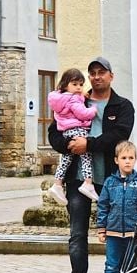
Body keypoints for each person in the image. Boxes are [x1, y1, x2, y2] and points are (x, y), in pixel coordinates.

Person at [48, 56, 135, 273]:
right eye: (92, 73)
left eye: (102, 72)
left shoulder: (122, 106)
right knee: (77, 234)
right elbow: (54, 131)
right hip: (78, 179)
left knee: (119, 232)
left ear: (111, 76)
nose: (97, 77)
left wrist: (89, 144)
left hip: (112, 179)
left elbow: (119, 135)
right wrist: (68, 145)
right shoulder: (75, 100)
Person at [96, 141, 137, 273]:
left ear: (135, 160)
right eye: (124, 158)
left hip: (133, 234)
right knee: (112, 265)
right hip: (113, 232)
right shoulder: (109, 183)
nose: (127, 161)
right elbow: (103, 206)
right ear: (116, 160)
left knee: (133, 267)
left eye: (131, 158)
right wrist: (102, 228)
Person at [47, 69, 100, 205]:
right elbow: (83, 114)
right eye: (75, 84)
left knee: (66, 159)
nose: (78, 88)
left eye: (81, 84)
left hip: (67, 131)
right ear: (65, 85)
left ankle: (57, 184)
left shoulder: (60, 99)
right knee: (86, 154)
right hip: (78, 129)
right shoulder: (73, 99)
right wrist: (93, 110)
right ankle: (88, 183)